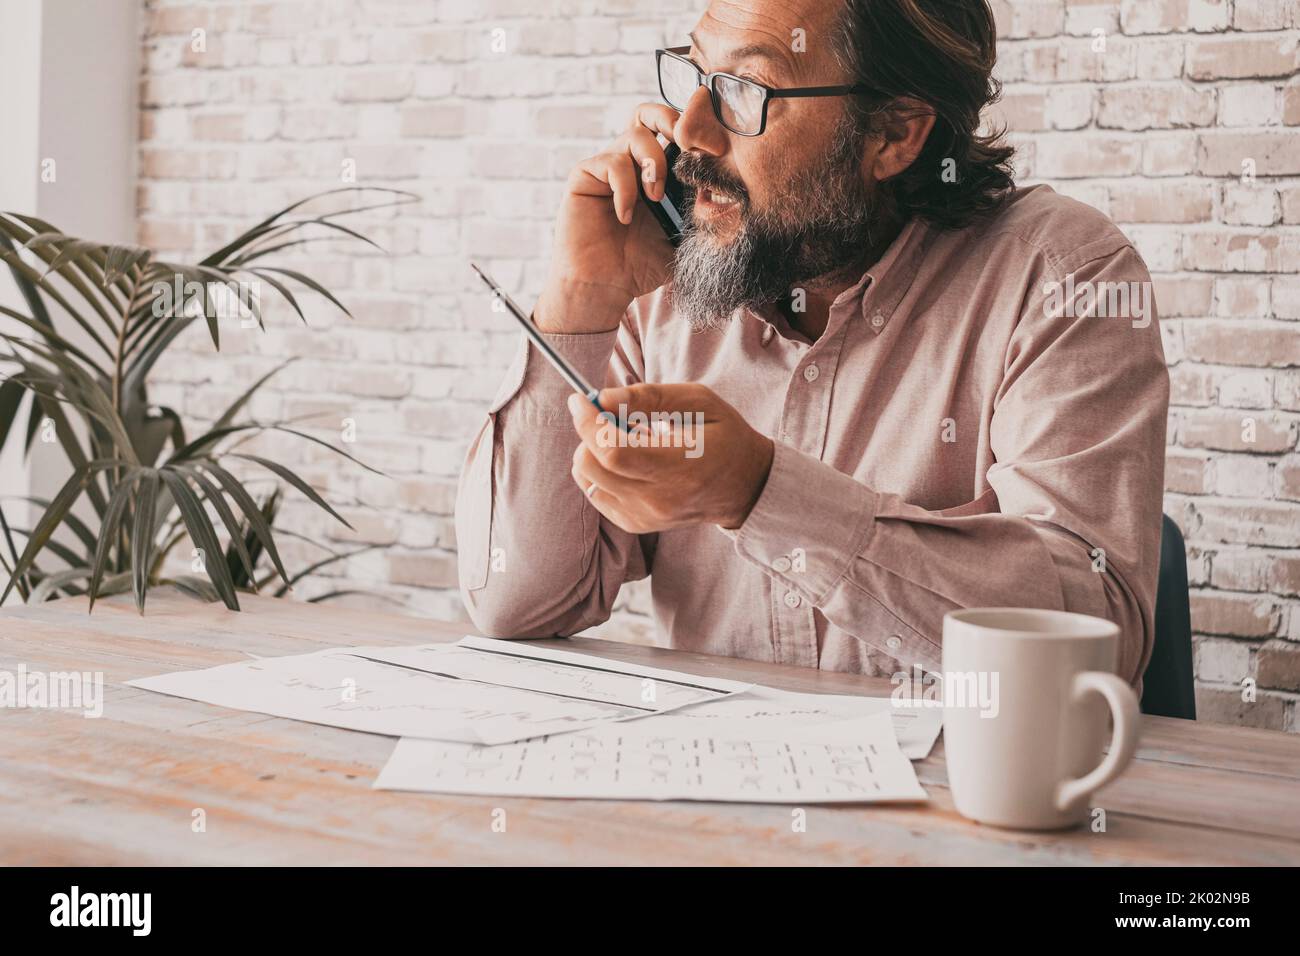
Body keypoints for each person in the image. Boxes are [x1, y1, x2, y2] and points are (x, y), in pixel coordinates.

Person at [455, 0, 1169, 685]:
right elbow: (519, 605)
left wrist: (759, 493)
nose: (693, 130)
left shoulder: (1063, 277)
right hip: (712, 790)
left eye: (745, 88)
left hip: (966, 795)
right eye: (697, 76)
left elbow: (1092, 639)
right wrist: (582, 300)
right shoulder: (666, 284)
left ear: (894, 134)